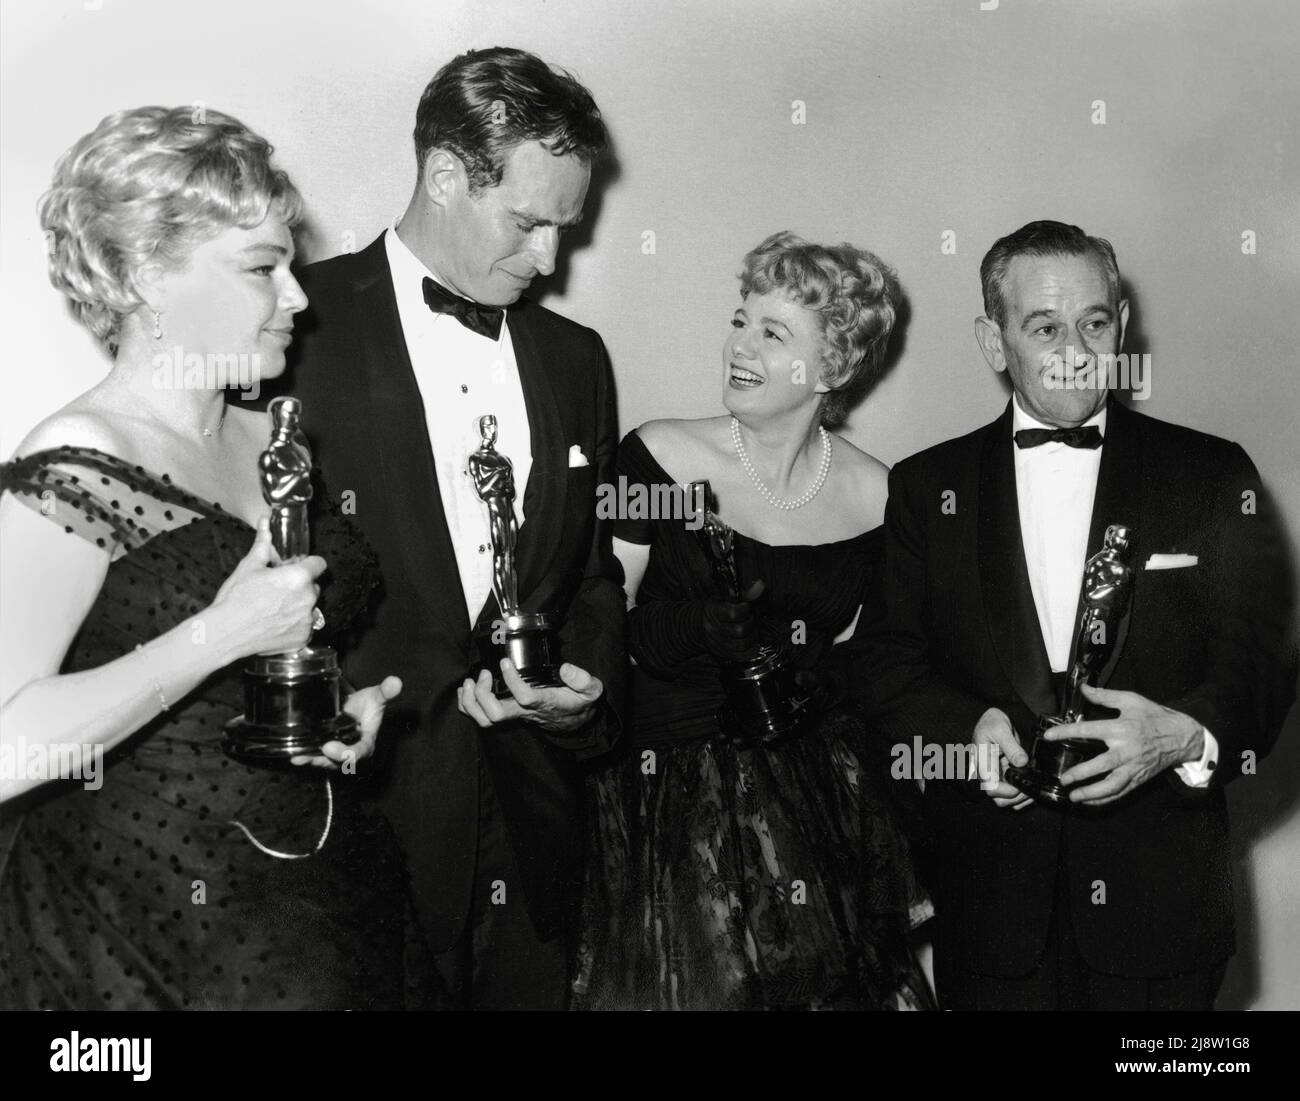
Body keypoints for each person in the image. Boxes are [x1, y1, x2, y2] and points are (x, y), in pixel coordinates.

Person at [0, 106, 423, 1010]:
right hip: (140, 931)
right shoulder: (79, 457)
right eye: (263, 268)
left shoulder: (273, 439)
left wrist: (331, 718)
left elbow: (270, 652)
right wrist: (218, 635)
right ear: (148, 274)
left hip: (309, 902)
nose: (298, 297)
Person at [861, 220, 1296, 1010]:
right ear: (994, 343)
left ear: (1122, 327)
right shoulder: (928, 487)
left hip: (1162, 919)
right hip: (993, 917)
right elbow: (890, 663)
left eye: (1095, 323)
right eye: (1044, 326)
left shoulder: (1212, 470)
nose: (1075, 349)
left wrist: (1181, 735)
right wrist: (965, 735)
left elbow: (1264, 658)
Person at [281, 47, 625, 1009]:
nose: (551, 259)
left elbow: (591, 573)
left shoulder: (575, 359)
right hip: (359, 831)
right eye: (529, 222)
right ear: (442, 175)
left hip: (534, 827)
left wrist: (583, 693)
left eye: (567, 228)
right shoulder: (291, 332)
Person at [573, 231, 935, 1010]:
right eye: (741, 319)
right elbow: (602, 625)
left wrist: (807, 672)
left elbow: (872, 663)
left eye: (773, 333)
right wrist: (697, 627)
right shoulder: (658, 459)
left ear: (833, 367)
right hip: (664, 792)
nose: (740, 345)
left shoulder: (882, 498)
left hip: (811, 797)